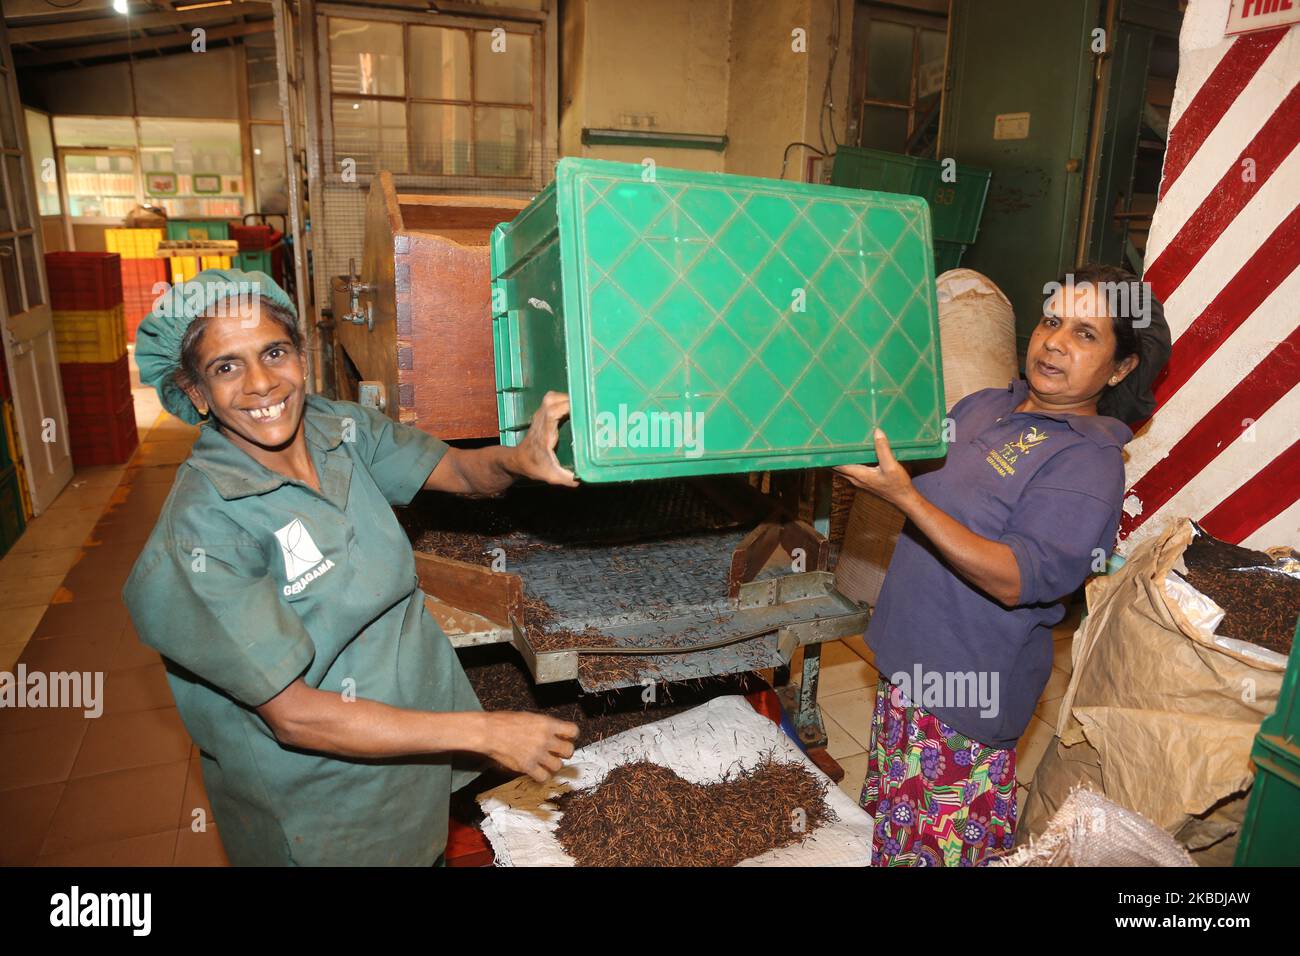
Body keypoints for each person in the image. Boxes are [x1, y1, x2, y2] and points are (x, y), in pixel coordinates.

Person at [123, 269, 580, 866]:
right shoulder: (204, 528)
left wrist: (522, 457)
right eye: (227, 367)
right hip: (321, 802)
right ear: (197, 392)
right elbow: (296, 717)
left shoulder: (339, 429)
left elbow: (462, 473)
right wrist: (483, 732)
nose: (261, 384)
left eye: (274, 352)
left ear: (301, 356)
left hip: (410, 753)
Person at [834, 264, 1171, 866]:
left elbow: (1017, 578)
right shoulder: (986, 404)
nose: (1055, 342)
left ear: (1121, 368)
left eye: (1086, 335)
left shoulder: (1088, 462)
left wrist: (904, 498)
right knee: (895, 838)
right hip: (907, 671)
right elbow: (912, 462)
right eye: (1051, 321)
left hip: (965, 698)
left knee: (939, 849)